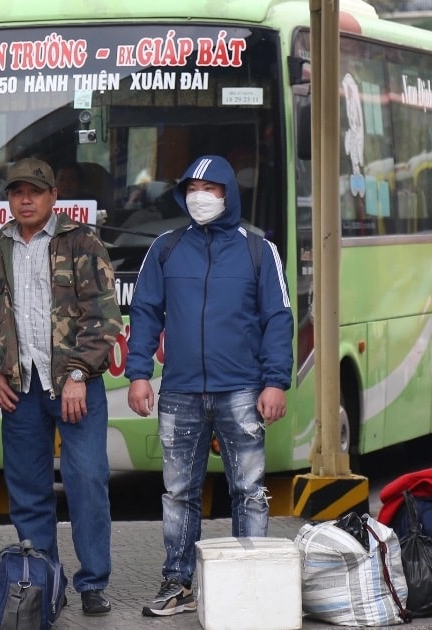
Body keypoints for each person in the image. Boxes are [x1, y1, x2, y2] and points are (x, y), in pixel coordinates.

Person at [125, 154, 294, 618]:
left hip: (241, 389)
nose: (200, 196)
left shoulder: (260, 251)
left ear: (227, 193)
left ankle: (251, 580)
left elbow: (278, 320)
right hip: (178, 391)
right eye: (193, 187)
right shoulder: (165, 248)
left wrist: (275, 382)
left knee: (250, 490)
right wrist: (139, 374)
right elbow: (144, 313)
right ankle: (178, 583)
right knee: (178, 492)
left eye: (211, 187)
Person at [0, 157, 123, 616]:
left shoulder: (82, 243)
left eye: (34, 191)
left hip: (75, 386)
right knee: (27, 489)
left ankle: (93, 582)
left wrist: (78, 374)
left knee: (87, 481)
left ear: (54, 196)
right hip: (20, 388)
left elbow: (105, 316)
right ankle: (44, 581)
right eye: (17, 192)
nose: (26, 199)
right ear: (10, 199)